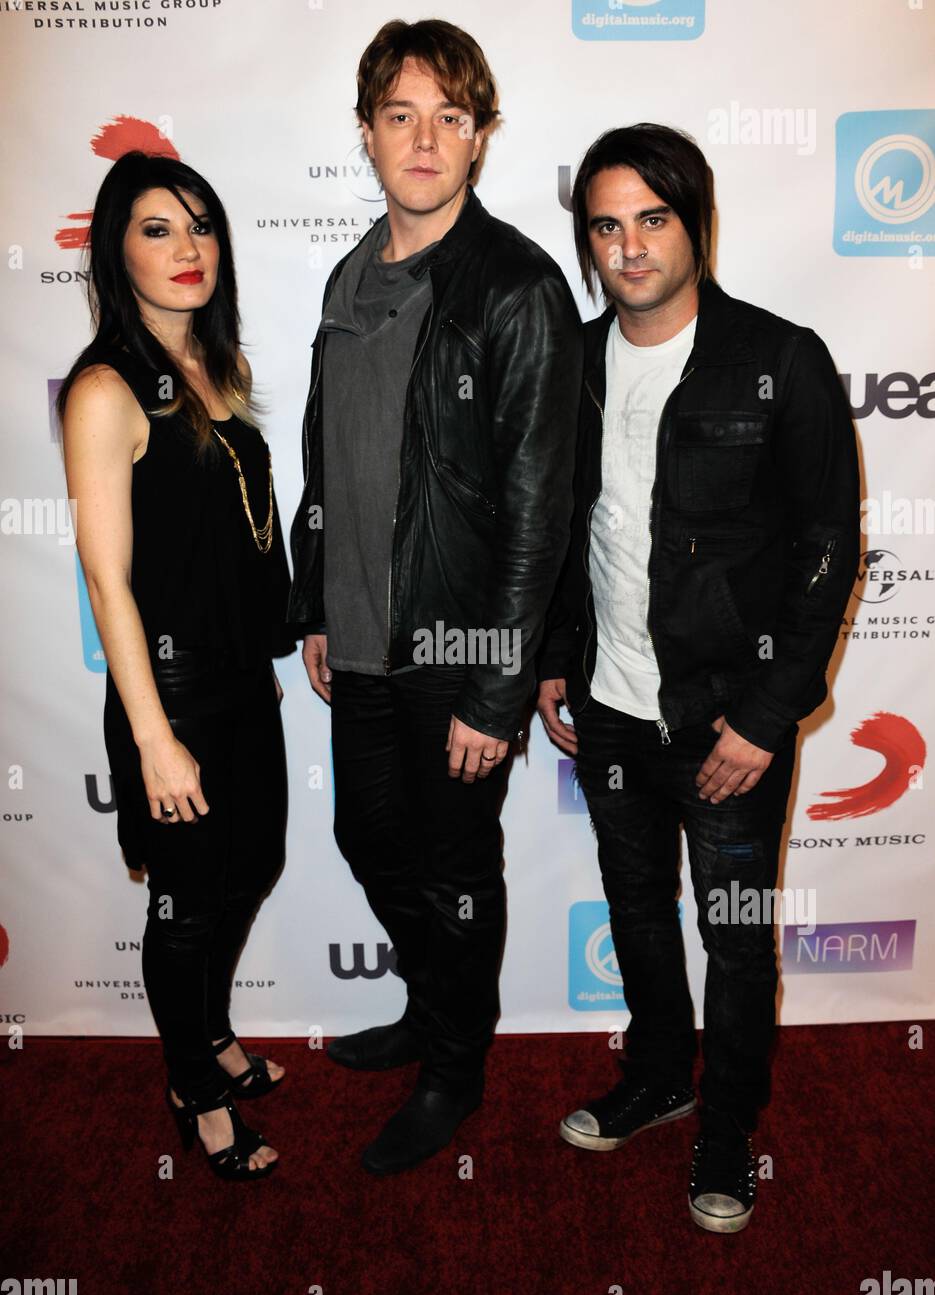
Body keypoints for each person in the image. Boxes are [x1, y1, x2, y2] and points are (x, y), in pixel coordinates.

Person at [537, 124, 860, 1232]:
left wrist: (766, 718)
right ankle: (659, 1076)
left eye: (651, 219)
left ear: (693, 221)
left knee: (730, 932)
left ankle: (727, 1131)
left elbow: (827, 550)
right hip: (610, 712)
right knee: (634, 909)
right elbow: (555, 530)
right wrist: (548, 665)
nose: (628, 247)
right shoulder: (571, 364)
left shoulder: (779, 358)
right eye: (605, 225)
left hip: (725, 719)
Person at [287, 19, 582, 1174]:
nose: (423, 138)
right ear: (365, 132)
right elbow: (330, 456)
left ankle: (455, 1066)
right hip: (357, 634)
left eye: (448, 117)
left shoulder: (515, 287)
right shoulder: (347, 274)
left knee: (456, 870)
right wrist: (316, 603)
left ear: (480, 136)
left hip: (459, 653)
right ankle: (432, 1004)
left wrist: (497, 688)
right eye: (399, 114)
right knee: (369, 835)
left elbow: (537, 507)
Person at [59, 151, 295, 1181]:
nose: (187, 246)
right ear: (118, 250)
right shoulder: (107, 388)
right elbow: (108, 580)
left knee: (253, 866)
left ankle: (212, 1033)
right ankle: (193, 1087)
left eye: (200, 224)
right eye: (157, 228)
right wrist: (156, 742)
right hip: (174, 697)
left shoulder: (215, 367)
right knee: (188, 904)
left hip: (241, 680)